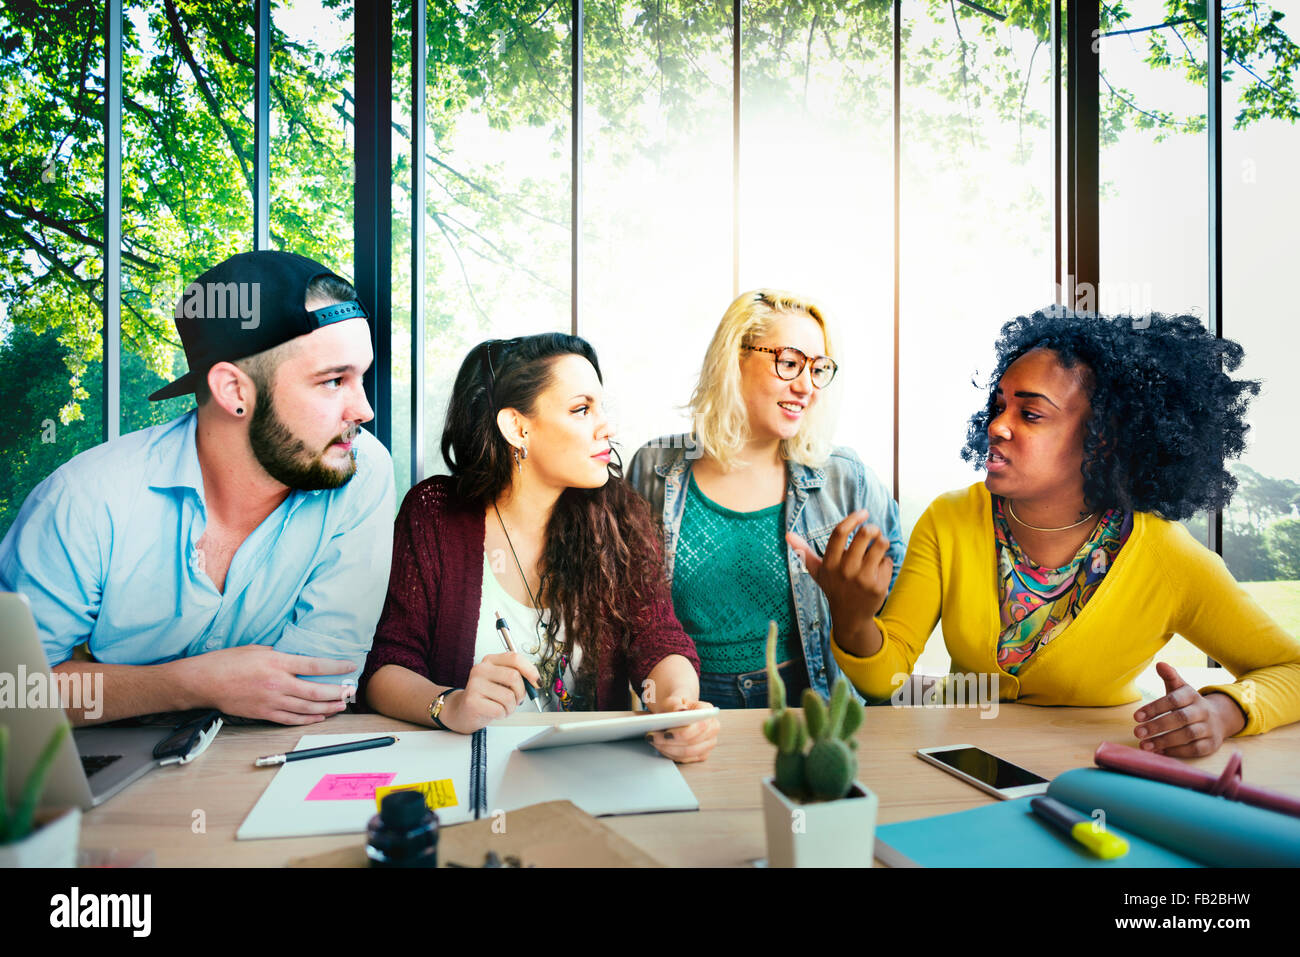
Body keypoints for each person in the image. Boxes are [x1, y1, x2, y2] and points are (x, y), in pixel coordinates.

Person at [790, 308, 1300, 755]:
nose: (997, 425)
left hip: (1097, 778)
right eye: (998, 406)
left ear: (1102, 440)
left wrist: (1222, 713)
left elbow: (1290, 670)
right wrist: (854, 619)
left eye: (1030, 413)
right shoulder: (950, 520)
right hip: (962, 768)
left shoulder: (1165, 557)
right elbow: (887, 677)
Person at [0, 251, 396, 726]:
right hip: (100, 786)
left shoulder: (361, 469)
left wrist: (101, 678)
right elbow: (17, 694)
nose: (364, 410)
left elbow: (318, 687)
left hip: (273, 764)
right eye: (333, 381)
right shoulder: (84, 500)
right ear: (233, 391)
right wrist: (192, 683)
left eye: (361, 377)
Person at [361, 333, 719, 762]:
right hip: (469, 769)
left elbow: (658, 641)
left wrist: (677, 707)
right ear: (517, 427)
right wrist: (450, 704)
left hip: (593, 770)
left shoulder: (619, 513)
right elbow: (387, 666)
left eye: (601, 408)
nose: (608, 427)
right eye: (582, 409)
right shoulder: (433, 514)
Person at [627, 289, 905, 708]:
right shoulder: (654, 467)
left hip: (810, 704)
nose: (806, 386)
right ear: (733, 359)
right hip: (688, 701)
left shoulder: (847, 478)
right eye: (789, 363)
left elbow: (898, 618)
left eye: (818, 369)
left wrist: (856, 613)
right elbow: (629, 610)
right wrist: (666, 700)